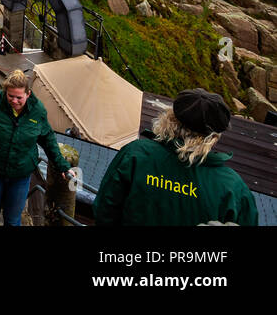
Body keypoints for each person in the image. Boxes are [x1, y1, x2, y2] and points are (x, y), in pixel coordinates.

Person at [94, 89, 257, 226]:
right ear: (214, 137)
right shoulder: (233, 188)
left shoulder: (136, 154)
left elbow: (103, 210)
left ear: (170, 118)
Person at [0, 69, 74, 226]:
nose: (15, 101)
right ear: (5, 92)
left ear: (28, 94)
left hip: (20, 174)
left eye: (19, 97)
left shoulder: (37, 111)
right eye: (10, 96)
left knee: (13, 217)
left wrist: (62, 166)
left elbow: (48, 139)